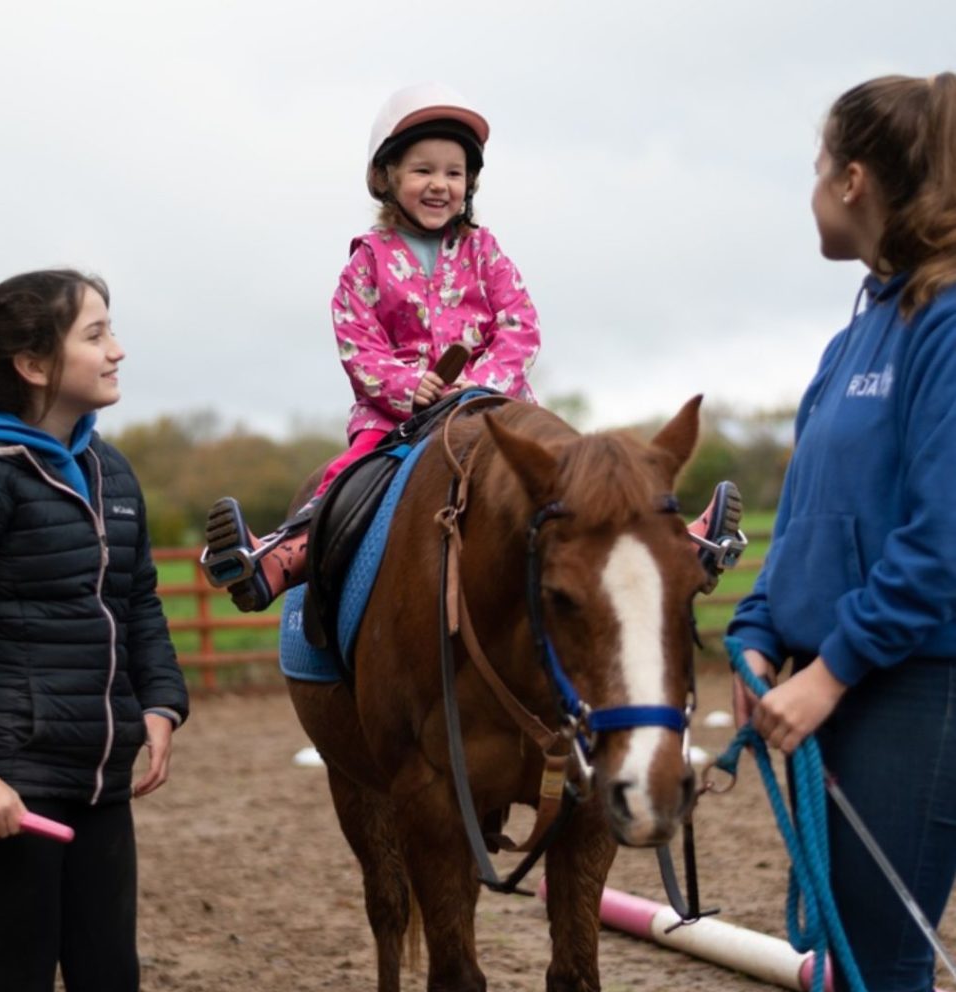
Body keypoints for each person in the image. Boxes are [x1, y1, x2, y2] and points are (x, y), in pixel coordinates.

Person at [201, 82, 744, 613]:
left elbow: (520, 323)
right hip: (396, 418)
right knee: (348, 478)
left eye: (454, 173)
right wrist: (408, 387)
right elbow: (357, 343)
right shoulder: (365, 263)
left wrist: (481, 382)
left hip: (493, 408)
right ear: (386, 176)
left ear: (470, 183)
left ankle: (683, 546)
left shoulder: (485, 251)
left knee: (579, 475)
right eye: (423, 170)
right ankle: (282, 558)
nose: (440, 184)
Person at [727, 73, 956, 992]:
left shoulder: (945, 324)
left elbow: (942, 540)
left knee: (883, 983)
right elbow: (805, 521)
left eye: (818, 166)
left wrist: (829, 672)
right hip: (848, 686)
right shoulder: (848, 342)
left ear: (852, 179)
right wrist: (755, 628)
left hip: (915, 686)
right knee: (855, 972)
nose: (813, 186)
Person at [0, 269, 190, 992]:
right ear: (33, 364)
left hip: (100, 779)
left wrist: (160, 701)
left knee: (110, 988)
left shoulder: (111, 470)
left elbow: (138, 600)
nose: (117, 350)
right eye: (95, 335)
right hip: (10, 787)